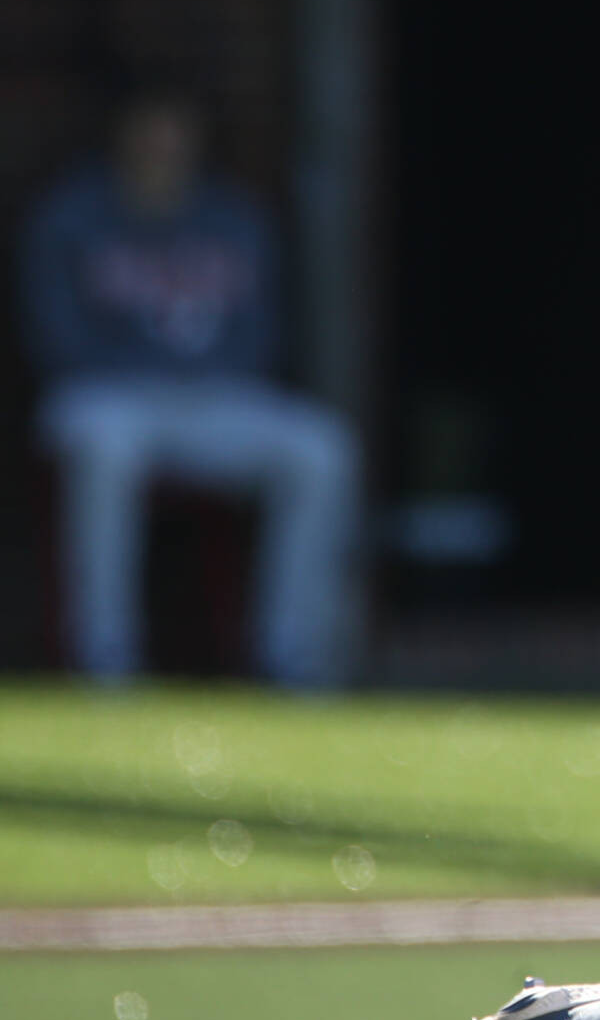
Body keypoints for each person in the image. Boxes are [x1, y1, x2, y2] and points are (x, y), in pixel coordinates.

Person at [20, 88, 362, 686]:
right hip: (105, 396)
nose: (162, 149)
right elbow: (53, 337)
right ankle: (104, 659)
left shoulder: (234, 218)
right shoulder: (69, 217)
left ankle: (293, 657)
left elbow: (261, 333)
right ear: (122, 139)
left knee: (321, 449)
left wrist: (198, 383)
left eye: (174, 135)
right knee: (106, 448)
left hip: (213, 398)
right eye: (148, 134)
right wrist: (146, 372)